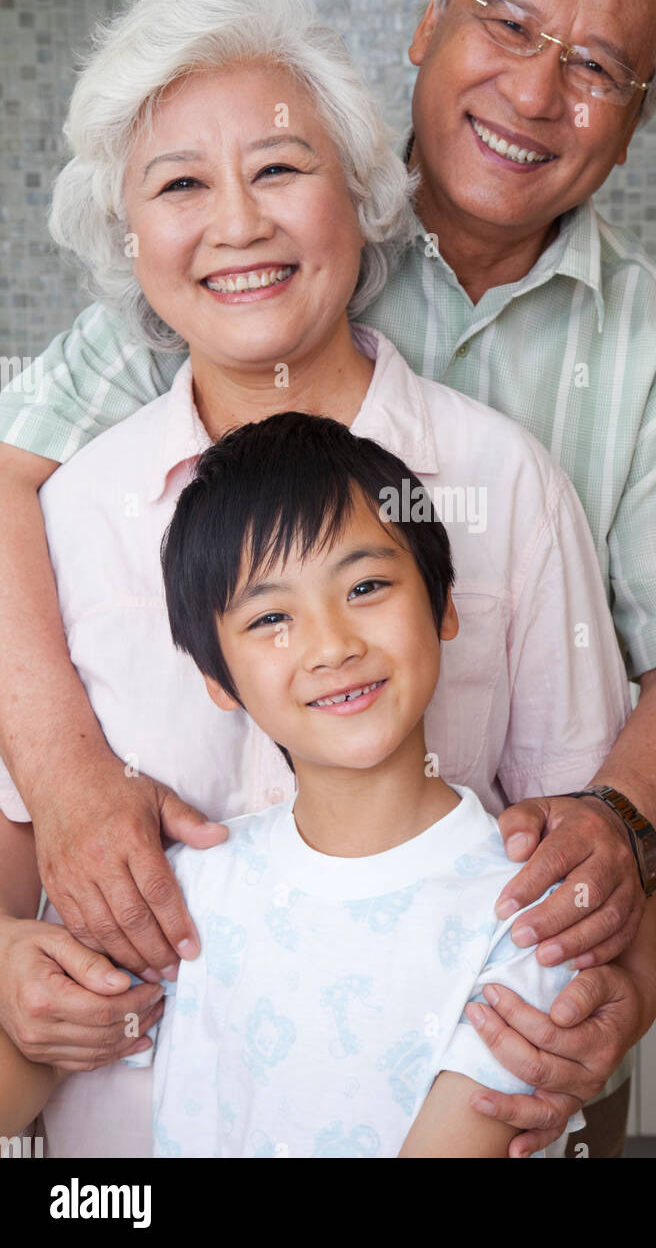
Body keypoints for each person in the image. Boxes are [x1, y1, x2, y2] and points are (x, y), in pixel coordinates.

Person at [0, 0, 656, 1157]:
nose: (532, 89)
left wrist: (615, 962)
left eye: (594, 64)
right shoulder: (79, 495)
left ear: (360, 202)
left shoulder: (532, 461)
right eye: (509, 25)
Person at [2, 411, 593, 1158]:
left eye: (367, 585)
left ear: (444, 607)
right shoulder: (185, 895)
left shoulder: (529, 911)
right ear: (219, 678)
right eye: (273, 616)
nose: (331, 646)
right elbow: (29, 1065)